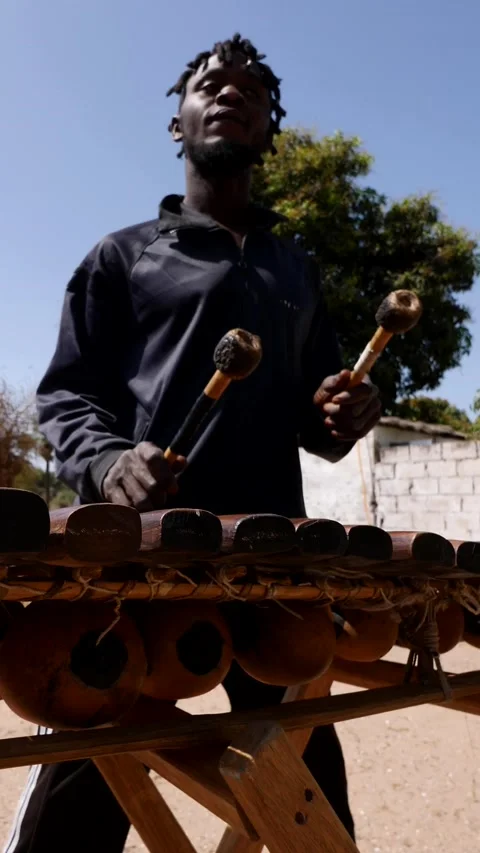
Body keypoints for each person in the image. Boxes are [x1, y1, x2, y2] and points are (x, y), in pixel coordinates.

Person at [5, 33, 381, 853]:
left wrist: (344, 413)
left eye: (249, 88)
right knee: (85, 780)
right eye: (210, 82)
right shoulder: (123, 257)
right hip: (137, 559)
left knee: (308, 787)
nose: (230, 91)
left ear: (267, 130)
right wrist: (109, 461)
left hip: (269, 562)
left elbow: (321, 422)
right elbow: (66, 394)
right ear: (178, 123)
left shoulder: (296, 270)